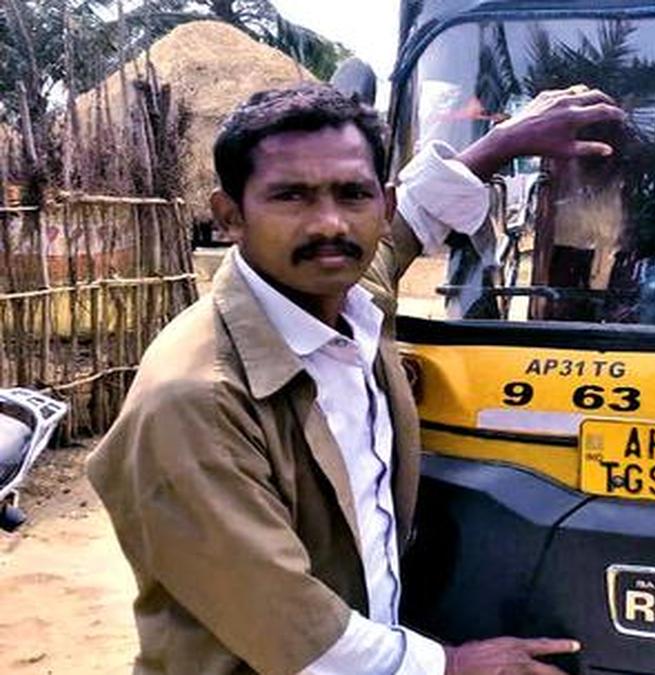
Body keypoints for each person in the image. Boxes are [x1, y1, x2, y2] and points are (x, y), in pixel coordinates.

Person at [86, 82, 624, 674]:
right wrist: (449, 666)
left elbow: (416, 215)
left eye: (352, 194)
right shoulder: (197, 400)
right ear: (229, 217)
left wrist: (501, 144)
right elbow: (291, 628)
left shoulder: (350, 297)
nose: (329, 224)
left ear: (382, 205)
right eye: (291, 196)